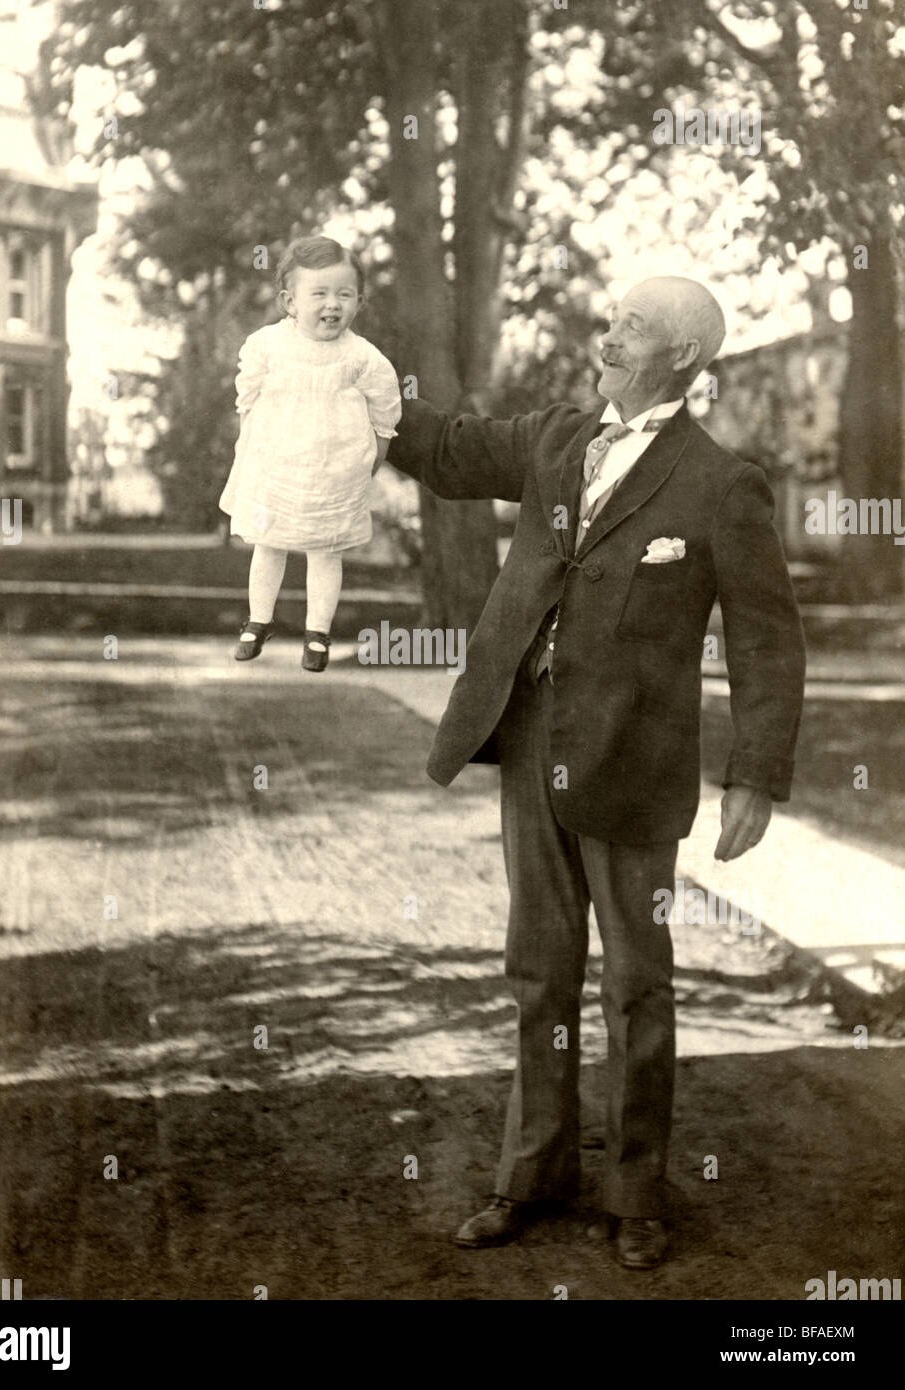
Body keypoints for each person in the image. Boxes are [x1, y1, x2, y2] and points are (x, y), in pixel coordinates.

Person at [386, 276, 806, 1270]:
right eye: (612, 319)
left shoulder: (720, 481)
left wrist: (756, 774)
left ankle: (636, 1193)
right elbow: (441, 449)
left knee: (634, 984)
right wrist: (337, 373)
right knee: (536, 968)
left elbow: (765, 636)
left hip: (634, 764)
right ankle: (530, 1176)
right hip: (526, 738)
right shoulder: (553, 436)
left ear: (678, 358)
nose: (605, 335)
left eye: (629, 326)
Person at [219, 235, 402, 671]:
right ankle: (258, 619)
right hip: (278, 466)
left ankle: (318, 632)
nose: (332, 305)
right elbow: (248, 395)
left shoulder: (362, 356)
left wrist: (370, 461)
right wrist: (252, 448)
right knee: (270, 542)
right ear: (290, 301)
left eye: (345, 294)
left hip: (335, 471)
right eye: (319, 294)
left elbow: (385, 409)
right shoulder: (267, 345)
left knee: (326, 549)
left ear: (359, 300)